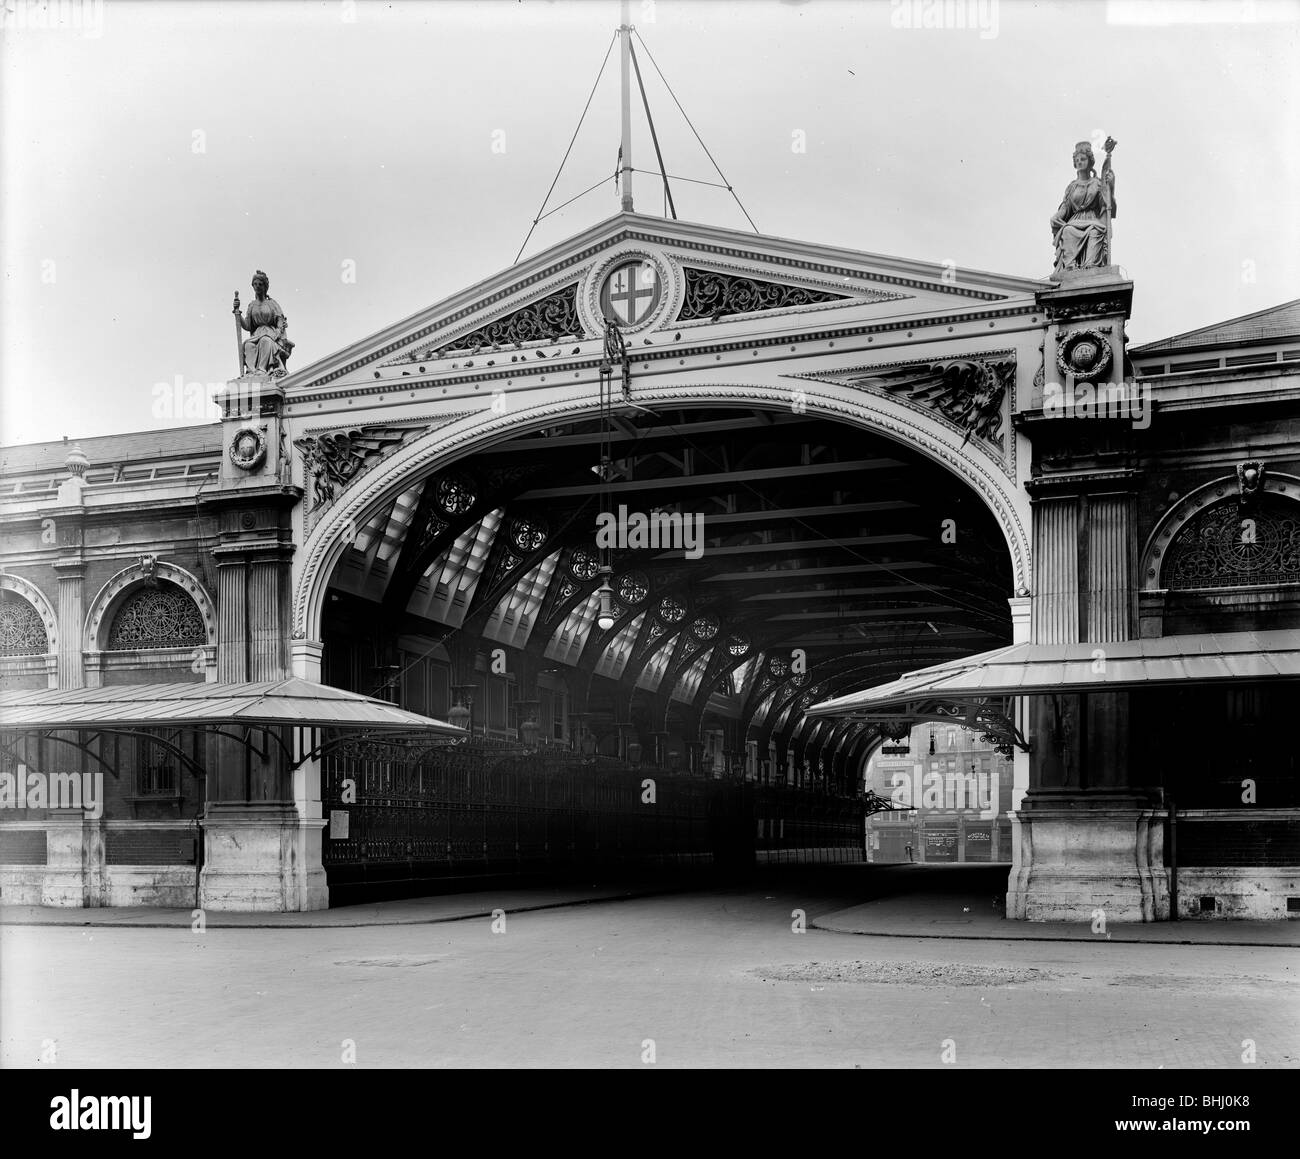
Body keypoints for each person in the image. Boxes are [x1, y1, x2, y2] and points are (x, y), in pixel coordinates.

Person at [1050, 138, 1117, 274]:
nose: (1080, 162)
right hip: (1074, 222)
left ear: (1089, 161)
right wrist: (1057, 216)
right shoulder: (1072, 187)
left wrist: (1111, 186)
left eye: (1083, 159)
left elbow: (1106, 204)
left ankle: (1091, 267)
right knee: (1067, 230)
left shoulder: (1097, 183)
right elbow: (1066, 207)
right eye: (1077, 160)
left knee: (1095, 232)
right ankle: (1070, 267)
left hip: (1093, 221)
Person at [234, 270, 295, 376]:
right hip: (257, 333)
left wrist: (278, 331)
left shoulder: (272, 304)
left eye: (260, 284)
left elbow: (280, 320)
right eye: (255, 284)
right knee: (248, 345)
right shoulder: (252, 305)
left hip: (270, 333)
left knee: (265, 340)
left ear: (265, 287)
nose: (257, 287)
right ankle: (251, 372)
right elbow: (248, 325)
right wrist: (237, 312)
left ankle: (262, 369)